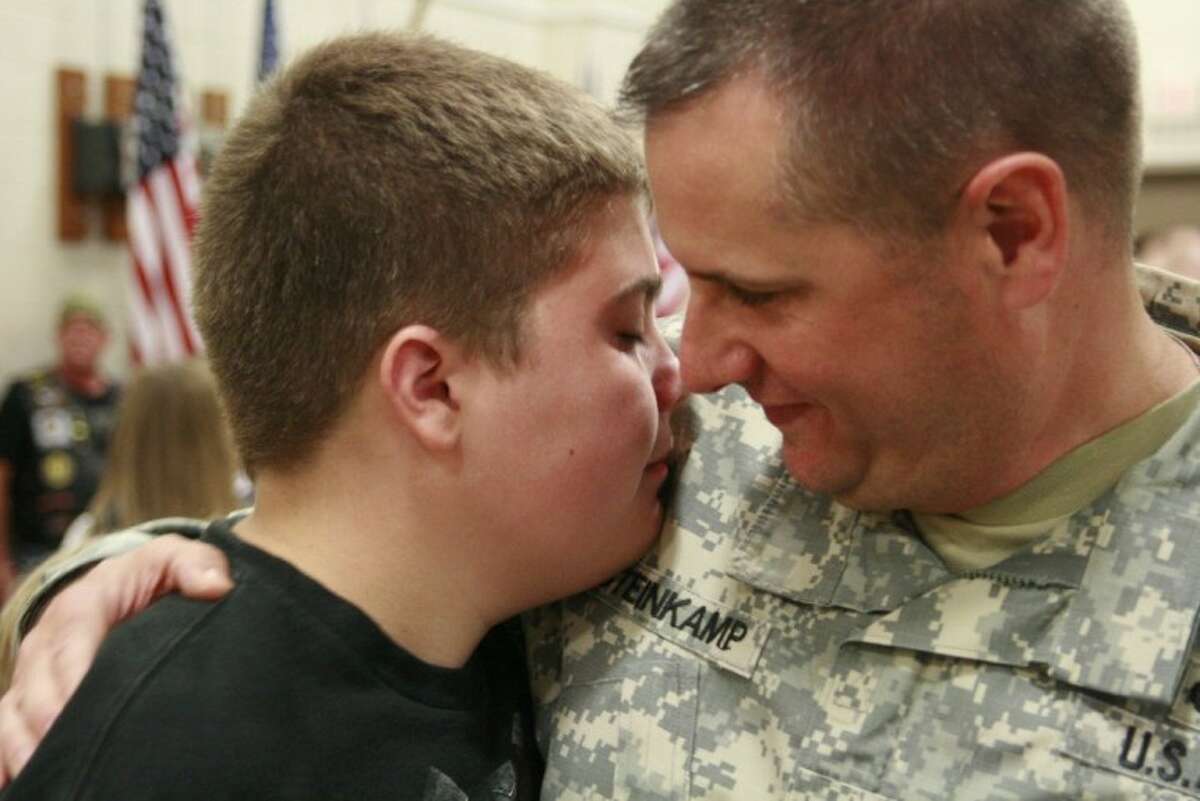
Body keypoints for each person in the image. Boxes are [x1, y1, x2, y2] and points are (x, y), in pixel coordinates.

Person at [2, 1, 1198, 799]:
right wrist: (117, 587)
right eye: (675, 291)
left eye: (758, 290)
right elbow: (364, 533)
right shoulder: (664, 441)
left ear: (1012, 230)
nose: (700, 357)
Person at [0, 32, 680, 800]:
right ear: (432, 388)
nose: (679, 370)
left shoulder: (510, 620)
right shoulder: (168, 755)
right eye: (628, 332)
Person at [0, 297, 119, 591]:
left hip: (107, 549)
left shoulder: (123, 399)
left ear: (105, 339)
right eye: (72, 329)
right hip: (38, 553)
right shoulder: (26, 395)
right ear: (58, 336)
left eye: (89, 329)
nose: (80, 337)